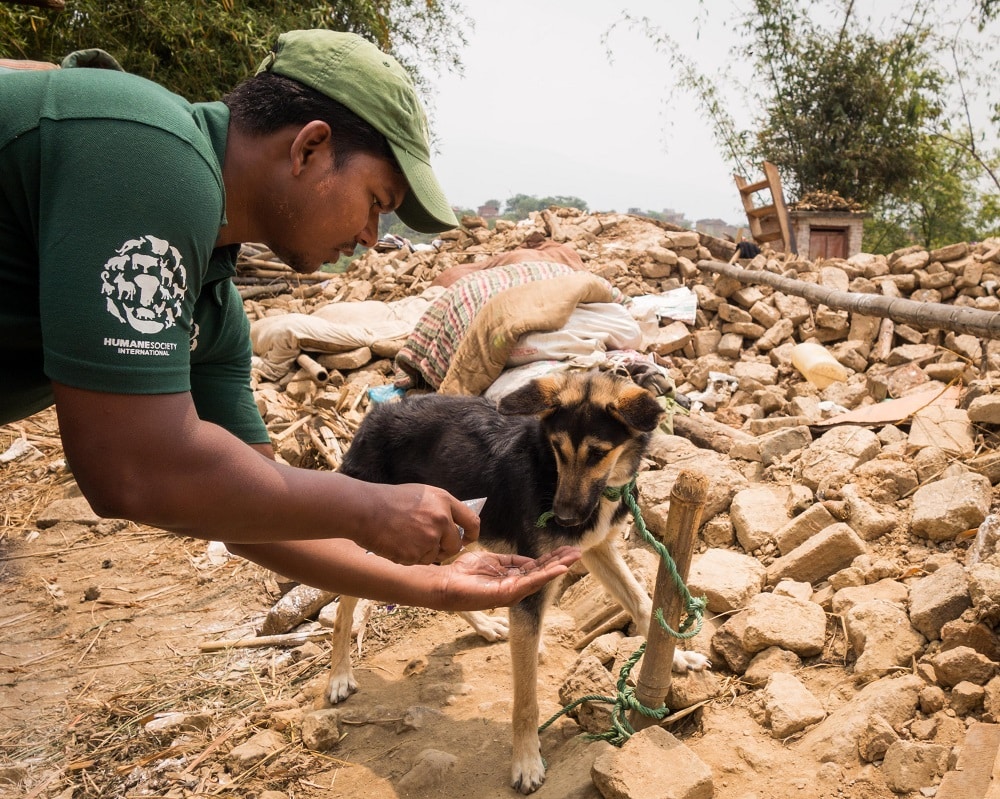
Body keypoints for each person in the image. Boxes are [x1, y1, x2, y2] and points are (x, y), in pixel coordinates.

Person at [0, 30, 580, 611]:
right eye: (376, 202)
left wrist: (431, 585)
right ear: (309, 148)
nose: (370, 241)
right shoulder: (151, 154)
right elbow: (131, 469)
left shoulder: (210, 309)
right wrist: (367, 506)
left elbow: (247, 506)